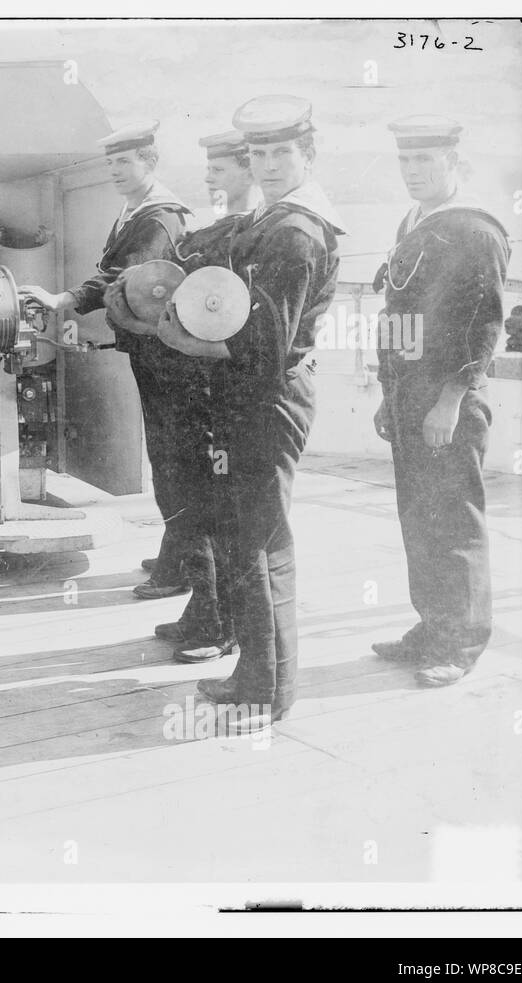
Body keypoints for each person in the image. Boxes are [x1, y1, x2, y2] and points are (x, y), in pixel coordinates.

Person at [154, 95, 344, 727]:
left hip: (265, 400)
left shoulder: (293, 231)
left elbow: (264, 349)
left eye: (279, 153)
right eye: (257, 153)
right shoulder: (268, 220)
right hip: (249, 399)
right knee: (244, 541)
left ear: (307, 156)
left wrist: (187, 342)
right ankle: (254, 675)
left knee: (261, 543)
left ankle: (269, 687)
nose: (265, 164)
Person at [18, 122, 196, 601]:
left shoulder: (158, 219)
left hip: (168, 356)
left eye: (126, 161)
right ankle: (177, 551)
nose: (116, 171)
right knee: (166, 457)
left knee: (174, 460)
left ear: (150, 162)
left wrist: (63, 299)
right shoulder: (135, 211)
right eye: (111, 163)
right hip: (151, 351)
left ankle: (184, 567)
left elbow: (123, 277)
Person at [371, 115, 511, 686]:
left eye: (425, 161)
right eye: (405, 161)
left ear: (454, 162)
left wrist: (450, 400)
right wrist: (388, 393)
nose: (413, 172)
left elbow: (485, 325)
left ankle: (461, 643)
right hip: (410, 393)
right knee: (418, 517)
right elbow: (396, 316)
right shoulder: (415, 221)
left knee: (454, 522)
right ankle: (431, 627)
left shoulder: (477, 231)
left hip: (449, 399)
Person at [140, 131, 264, 664]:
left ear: (250, 170)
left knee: (209, 507)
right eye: (208, 165)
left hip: (216, 390)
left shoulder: (254, 236)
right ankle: (201, 608)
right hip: (183, 384)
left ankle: (220, 624)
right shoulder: (214, 231)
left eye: (222, 166)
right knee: (182, 501)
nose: (210, 174)